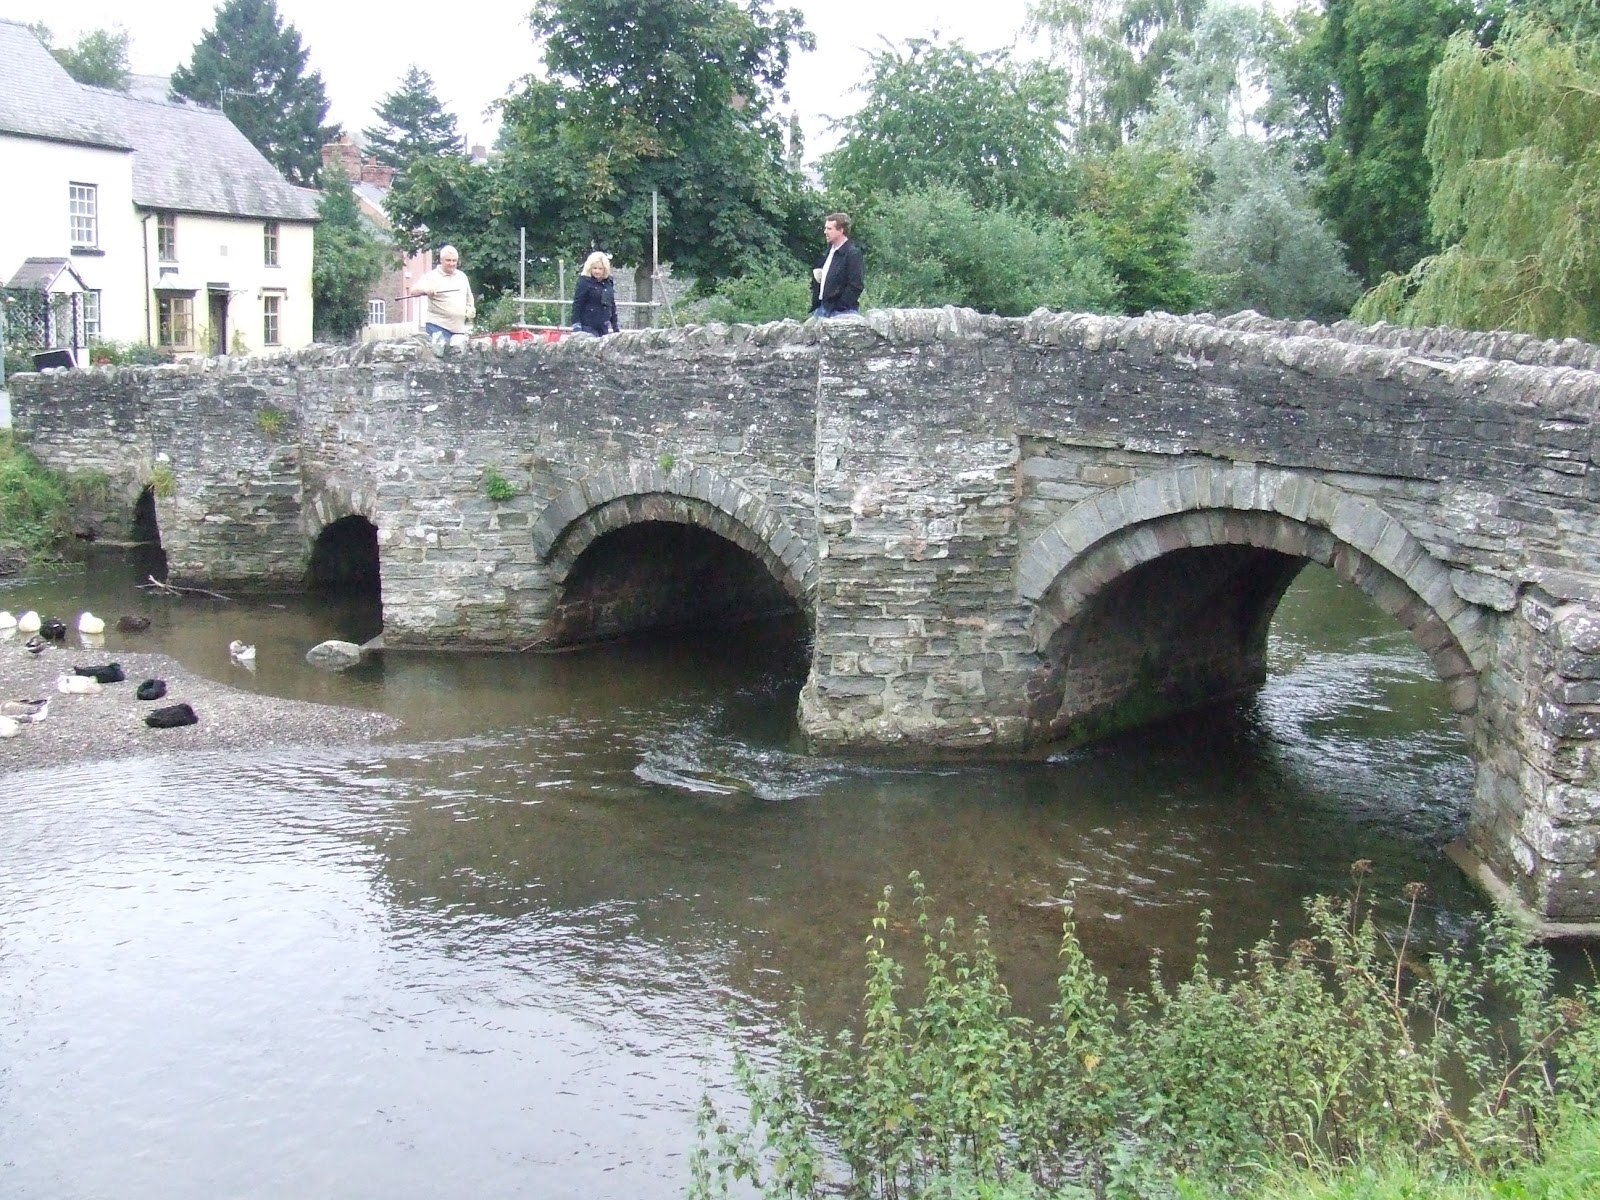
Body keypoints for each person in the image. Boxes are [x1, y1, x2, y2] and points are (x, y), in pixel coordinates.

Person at [412, 245, 476, 342]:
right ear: (441, 261)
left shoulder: (462, 277)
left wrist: (471, 307)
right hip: (437, 326)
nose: (451, 263)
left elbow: (469, 296)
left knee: (458, 356)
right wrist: (425, 289)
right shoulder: (431, 276)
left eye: (454, 261)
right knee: (442, 355)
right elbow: (413, 290)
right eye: (448, 260)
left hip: (458, 329)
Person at [810, 212, 865, 319]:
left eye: (829, 229)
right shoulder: (829, 251)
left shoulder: (852, 254)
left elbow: (856, 285)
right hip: (822, 309)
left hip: (841, 312)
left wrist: (839, 306)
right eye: (825, 228)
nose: (825, 232)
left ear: (841, 231)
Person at [571, 251, 621, 336]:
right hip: (587, 326)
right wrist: (576, 326)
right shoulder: (584, 282)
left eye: (600, 269)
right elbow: (577, 304)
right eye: (594, 268)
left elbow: (611, 305)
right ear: (590, 268)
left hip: (603, 326)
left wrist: (615, 327)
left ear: (605, 269)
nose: (597, 271)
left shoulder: (608, 282)